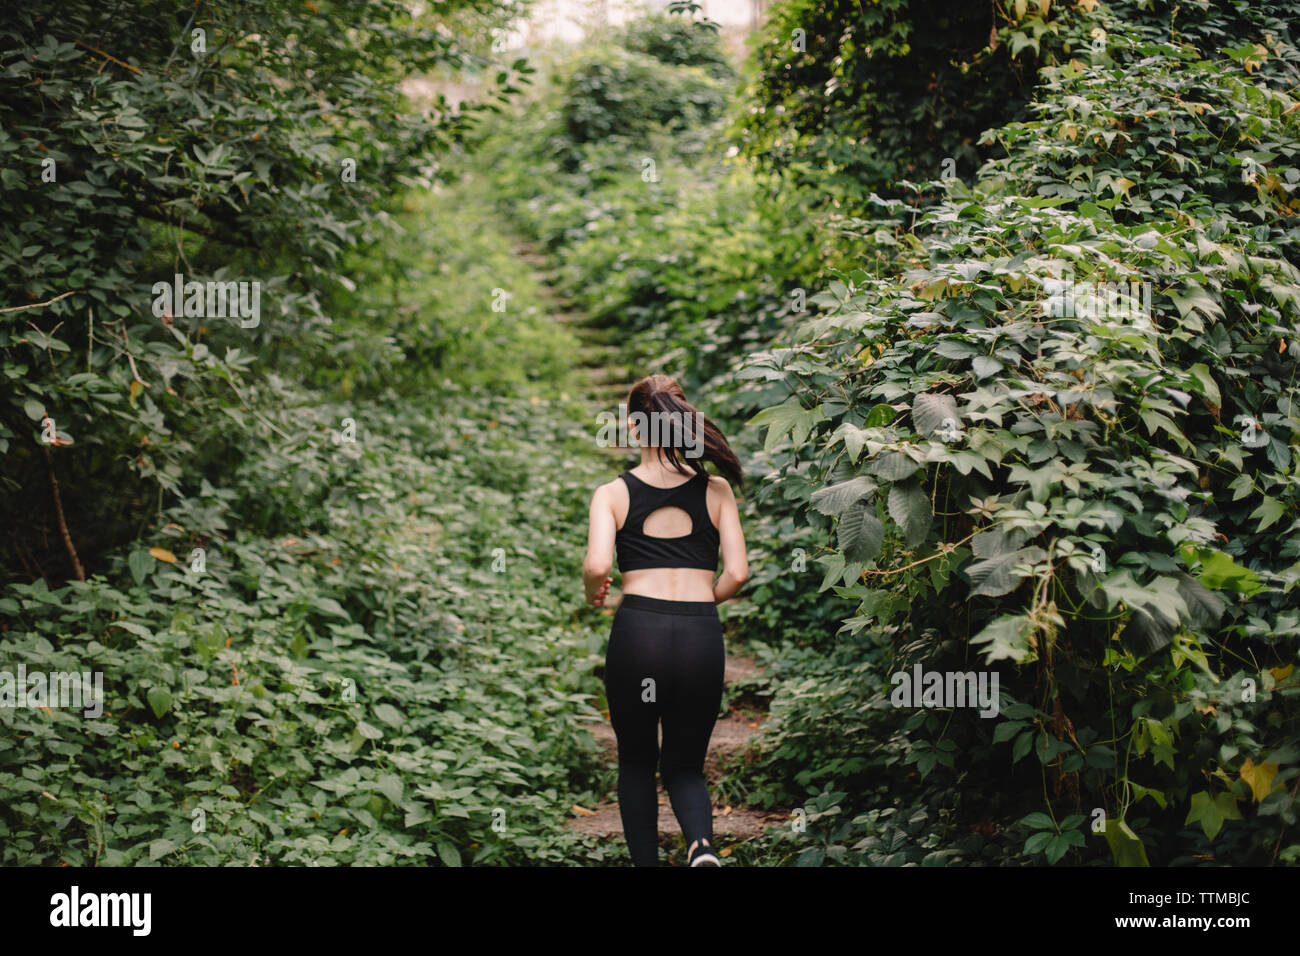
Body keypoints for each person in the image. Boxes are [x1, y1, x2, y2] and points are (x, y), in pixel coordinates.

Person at [582, 374, 748, 867]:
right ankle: (701, 848)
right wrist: (700, 603)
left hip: (639, 633)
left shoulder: (611, 493)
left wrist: (596, 593)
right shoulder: (716, 490)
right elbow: (737, 573)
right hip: (699, 634)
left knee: (636, 760)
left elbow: (596, 565)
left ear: (634, 429)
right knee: (686, 766)